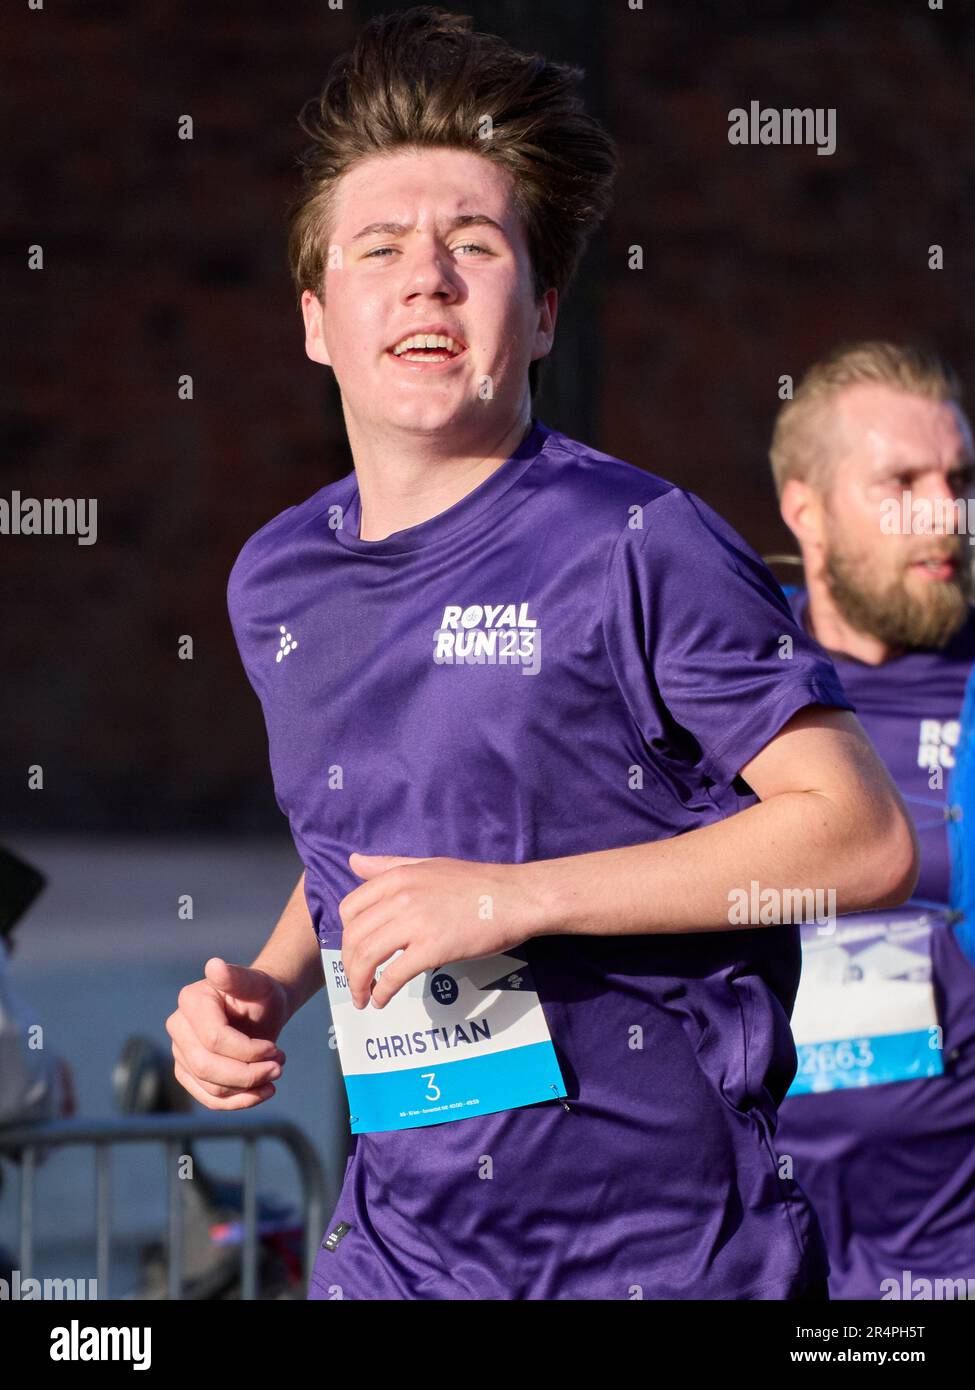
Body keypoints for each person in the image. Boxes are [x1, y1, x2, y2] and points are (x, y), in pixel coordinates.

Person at [167, 8, 918, 1300]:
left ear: (543, 311)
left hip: (661, 1258)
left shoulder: (636, 542)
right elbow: (362, 827)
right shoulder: (275, 578)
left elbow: (857, 840)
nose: (427, 278)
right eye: (380, 247)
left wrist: (513, 897)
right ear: (313, 317)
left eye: (473, 244)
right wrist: (267, 987)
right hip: (402, 1253)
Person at [767, 341, 975, 1300]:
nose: (947, 512)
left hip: (941, 1259)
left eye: (959, 478)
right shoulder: (710, 676)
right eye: (903, 481)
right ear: (804, 508)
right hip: (741, 1245)